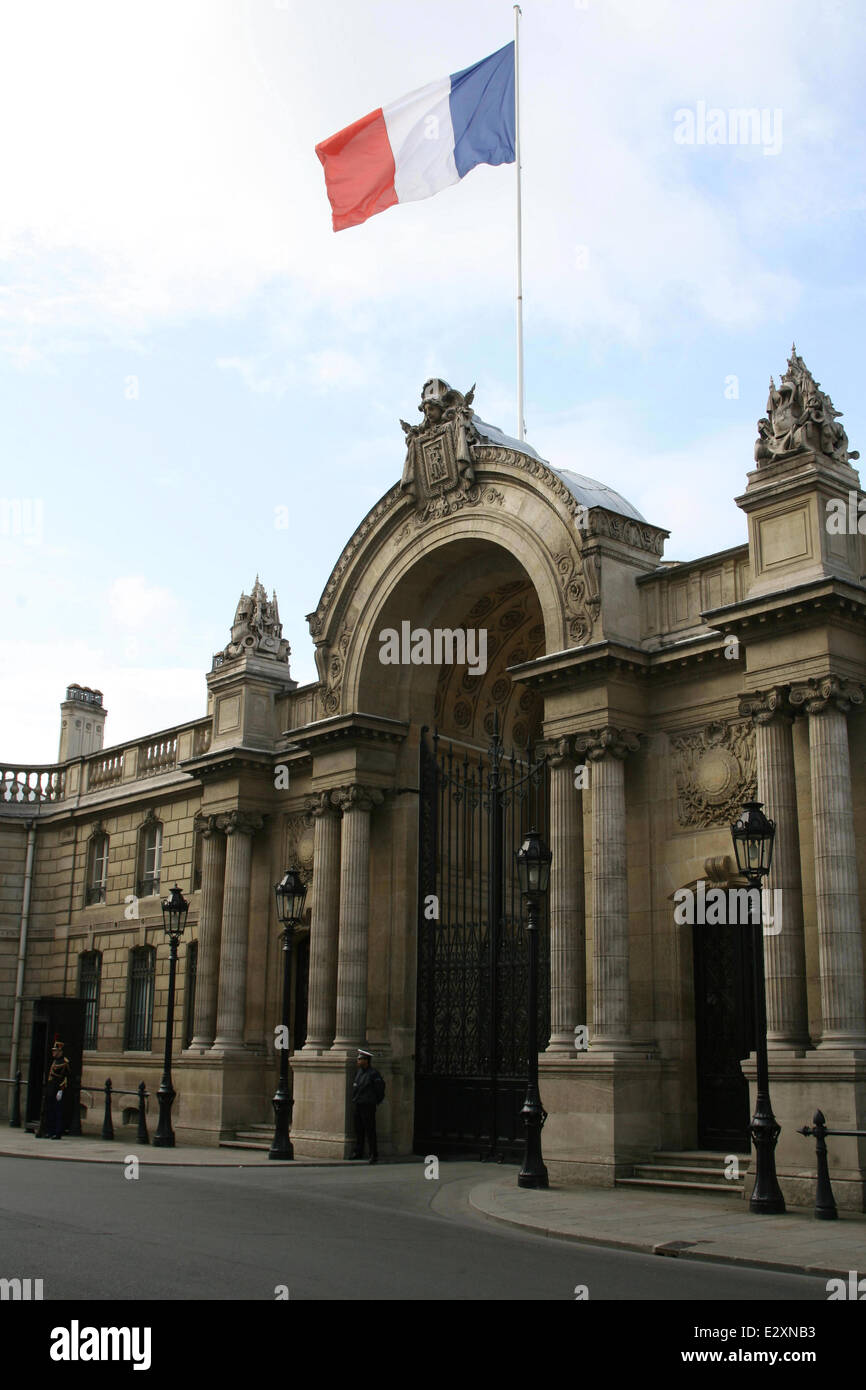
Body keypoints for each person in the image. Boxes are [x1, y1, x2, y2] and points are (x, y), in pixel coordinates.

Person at [351, 1049, 385, 1164]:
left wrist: (375, 1101)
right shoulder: (359, 1072)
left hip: (368, 1105)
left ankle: (373, 1154)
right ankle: (358, 1151)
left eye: (360, 1059)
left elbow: (380, 1090)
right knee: (359, 1130)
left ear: (366, 1060)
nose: (358, 1061)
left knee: (370, 1130)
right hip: (359, 1103)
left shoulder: (373, 1074)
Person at [45, 1040, 70, 1140]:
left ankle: (57, 1132)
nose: (53, 1052)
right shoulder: (55, 1061)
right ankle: (50, 1131)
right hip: (51, 1089)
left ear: (60, 1051)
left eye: (55, 1051)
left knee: (57, 1112)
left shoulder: (65, 1062)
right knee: (50, 1111)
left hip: (58, 1090)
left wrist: (61, 1089)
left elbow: (66, 1077)